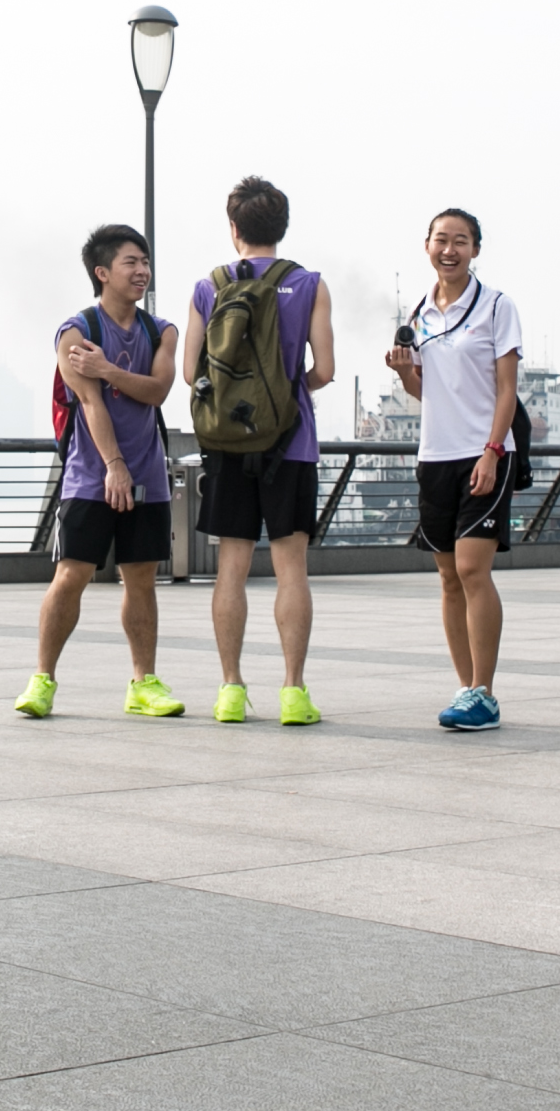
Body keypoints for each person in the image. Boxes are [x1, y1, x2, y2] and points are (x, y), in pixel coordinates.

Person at [14, 224, 186, 719]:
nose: (142, 271)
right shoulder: (76, 332)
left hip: (148, 475)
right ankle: (42, 679)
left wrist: (108, 369)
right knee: (72, 575)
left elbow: (157, 391)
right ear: (103, 272)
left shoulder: (161, 331)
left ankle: (143, 683)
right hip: (90, 475)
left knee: (141, 580)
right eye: (131, 262)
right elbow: (90, 403)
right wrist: (113, 465)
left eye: (146, 262)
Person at [185, 176, 337, 725]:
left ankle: (230, 689)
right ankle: (293, 693)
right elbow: (325, 370)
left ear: (234, 229)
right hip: (290, 445)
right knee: (291, 567)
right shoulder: (309, 284)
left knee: (232, 566)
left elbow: (190, 373)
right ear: (283, 226)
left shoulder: (210, 287)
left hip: (228, 443)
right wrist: (287, 394)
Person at [386, 208, 526, 732]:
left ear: (475, 250)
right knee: (448, 577)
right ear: (427, 246)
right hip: (435, 456)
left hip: (484, 452)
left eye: (460, 241)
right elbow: (428, 393)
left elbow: (507, 389)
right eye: (441, 240)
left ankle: (484, 691)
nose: (450, 250)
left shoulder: (496, 306)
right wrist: (405, 374)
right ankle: (466, 688)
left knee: (471, 569)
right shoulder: (419, 313)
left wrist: (492, 450)